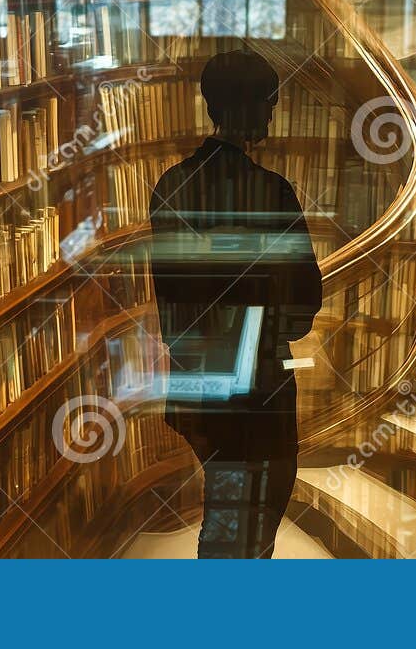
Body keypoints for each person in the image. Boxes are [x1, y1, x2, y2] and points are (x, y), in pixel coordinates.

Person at [148, 50, 323, 558]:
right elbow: (303, 307)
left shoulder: (169, 186)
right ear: (247, 108)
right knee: (252, 525)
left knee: (224, 512)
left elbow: (171, 296)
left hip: (196, 386)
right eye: (267, 104)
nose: (271, 115)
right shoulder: (273, 192)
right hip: (258, 392)